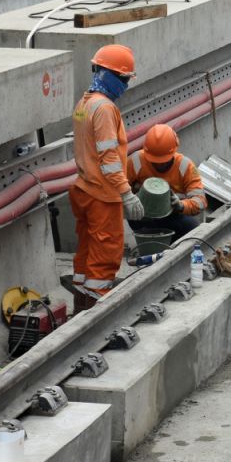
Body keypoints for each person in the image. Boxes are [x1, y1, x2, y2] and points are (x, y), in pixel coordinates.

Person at [69, 44, 143, 312]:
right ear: (112, 76)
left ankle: (80, 307)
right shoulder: (104, 109)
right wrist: (126, 193)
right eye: (123, 78)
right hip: (103, 194)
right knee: (106, 256)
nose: (124, 84)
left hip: (83, 189)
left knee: (87, 252)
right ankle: (95, 313)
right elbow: (109, 158)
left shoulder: (84, 103)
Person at [125, 123, 208, 242]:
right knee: (132, 214)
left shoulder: (185, 166)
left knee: (194, 230)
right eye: (154, 161)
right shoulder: (135, 161)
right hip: (145, 216)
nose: (159, 164)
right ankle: (149, 239)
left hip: (174, 216)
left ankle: (173, 241)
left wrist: (181, 205)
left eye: (163, 161)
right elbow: (119, 189)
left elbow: (201, 201)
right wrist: (132, 197)